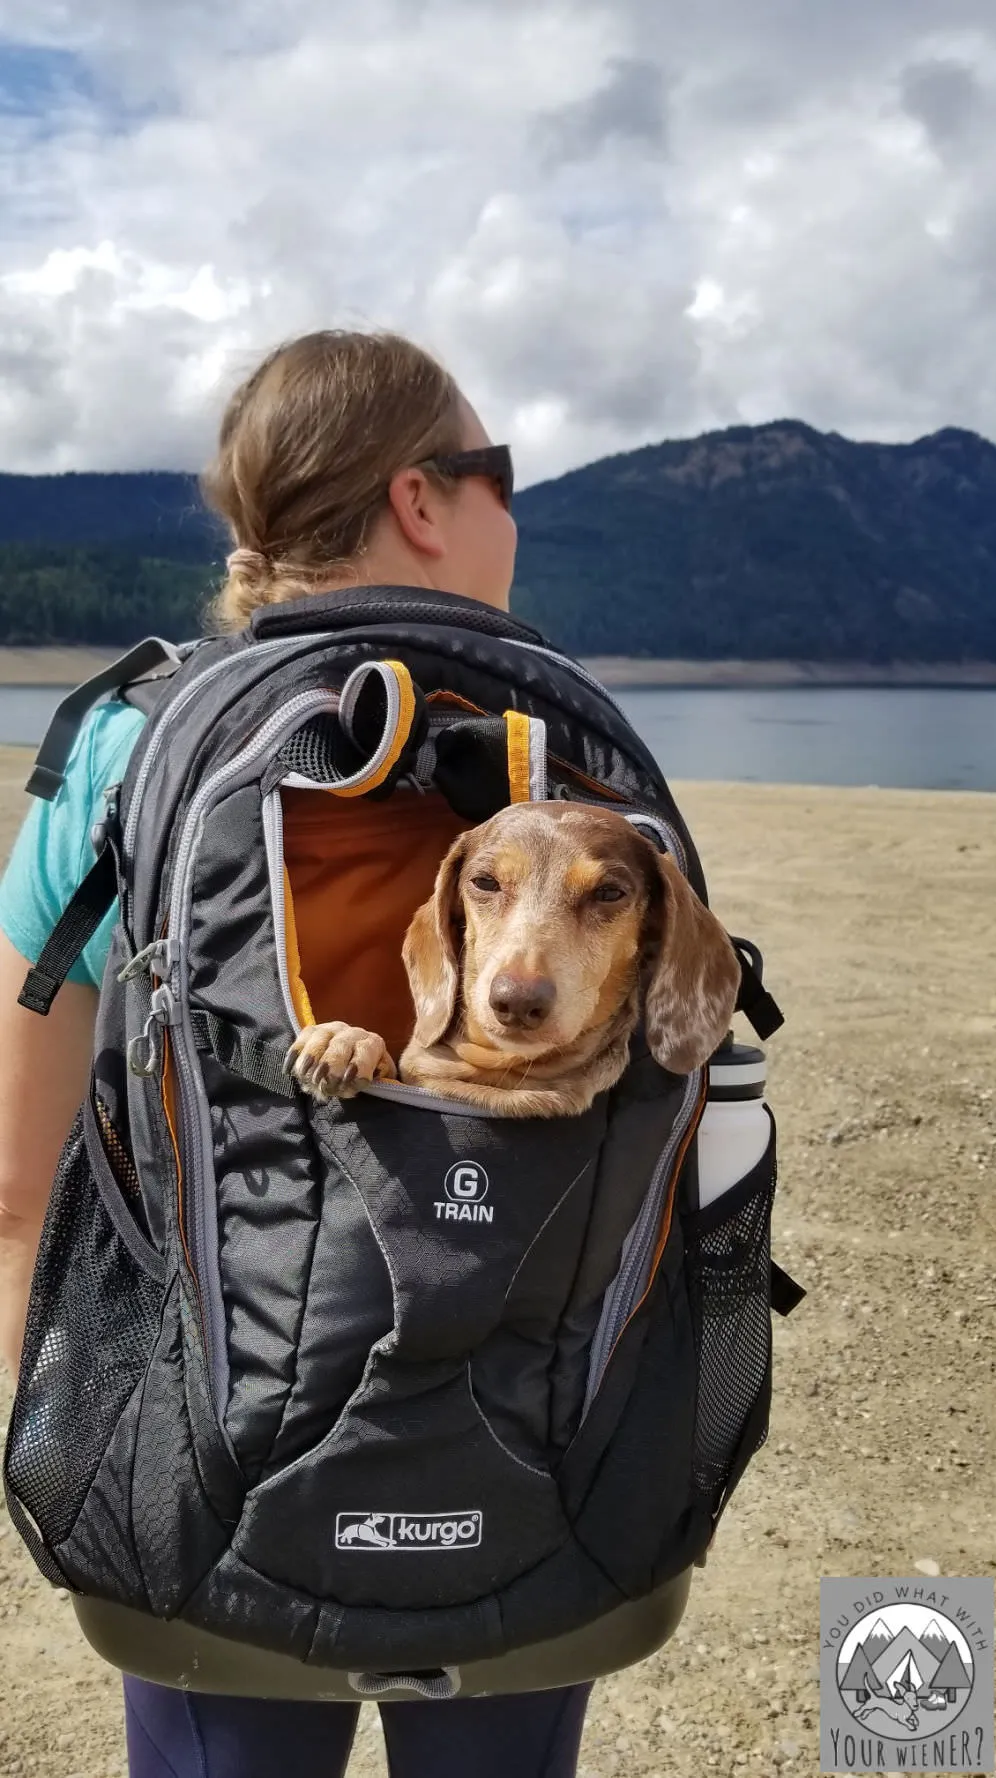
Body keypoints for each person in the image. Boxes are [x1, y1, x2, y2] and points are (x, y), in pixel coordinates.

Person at [0, 330, 595, 1778]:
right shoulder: (560, 760)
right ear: (419, 500)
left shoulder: (126, 749)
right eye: (501, 473)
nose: (515, 511)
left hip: (210, 1484)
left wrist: (69, 1466)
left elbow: (18, 1194)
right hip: (534, 1480)